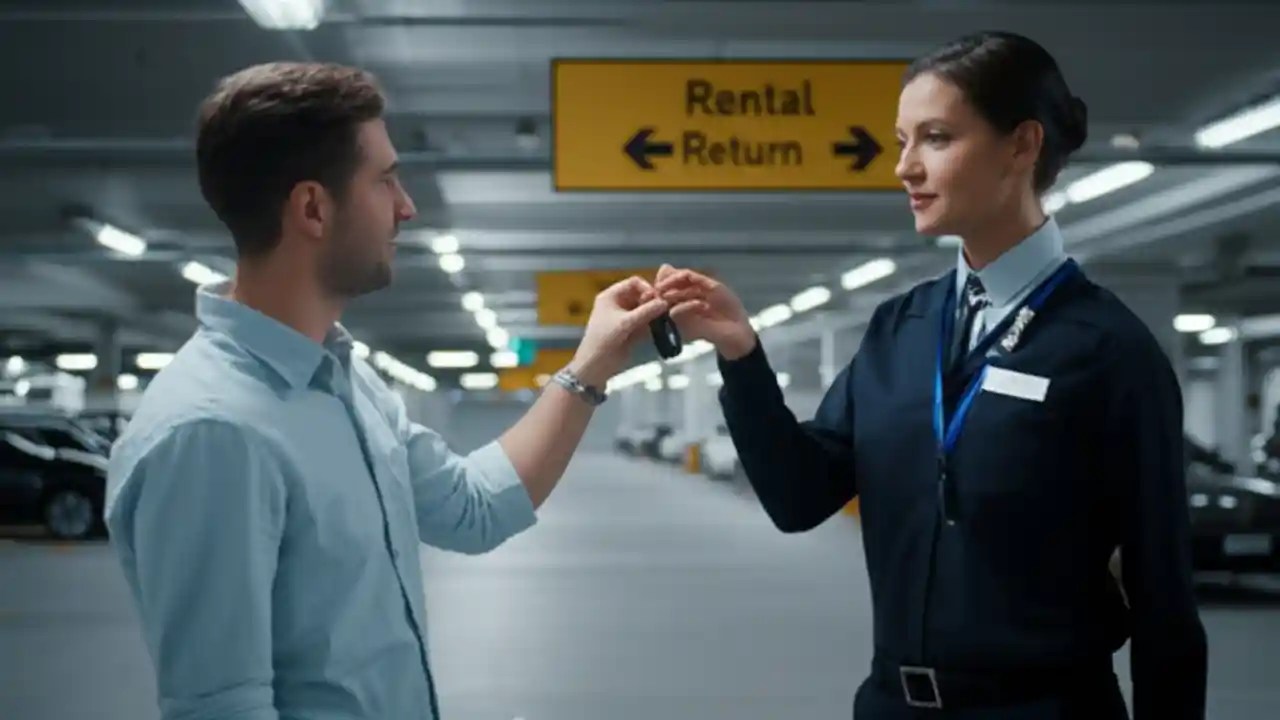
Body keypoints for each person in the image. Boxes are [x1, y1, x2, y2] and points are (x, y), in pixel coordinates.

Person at [653, 31, 1206, 719]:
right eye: (900, 141)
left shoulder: (1107, 351)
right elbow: (797, 498)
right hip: (892, 706)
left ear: (1022, 145)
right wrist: (741, 357)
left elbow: (1165, 605)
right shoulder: (899, 329)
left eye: (936, 138)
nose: (905, 167)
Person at [103, 62, 668, 720]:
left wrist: (593, 362)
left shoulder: (344, 380)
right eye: (386, 179)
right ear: (313, 207)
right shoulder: (210, 432)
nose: (407, 207)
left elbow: (472, 506)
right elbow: (222, 710)